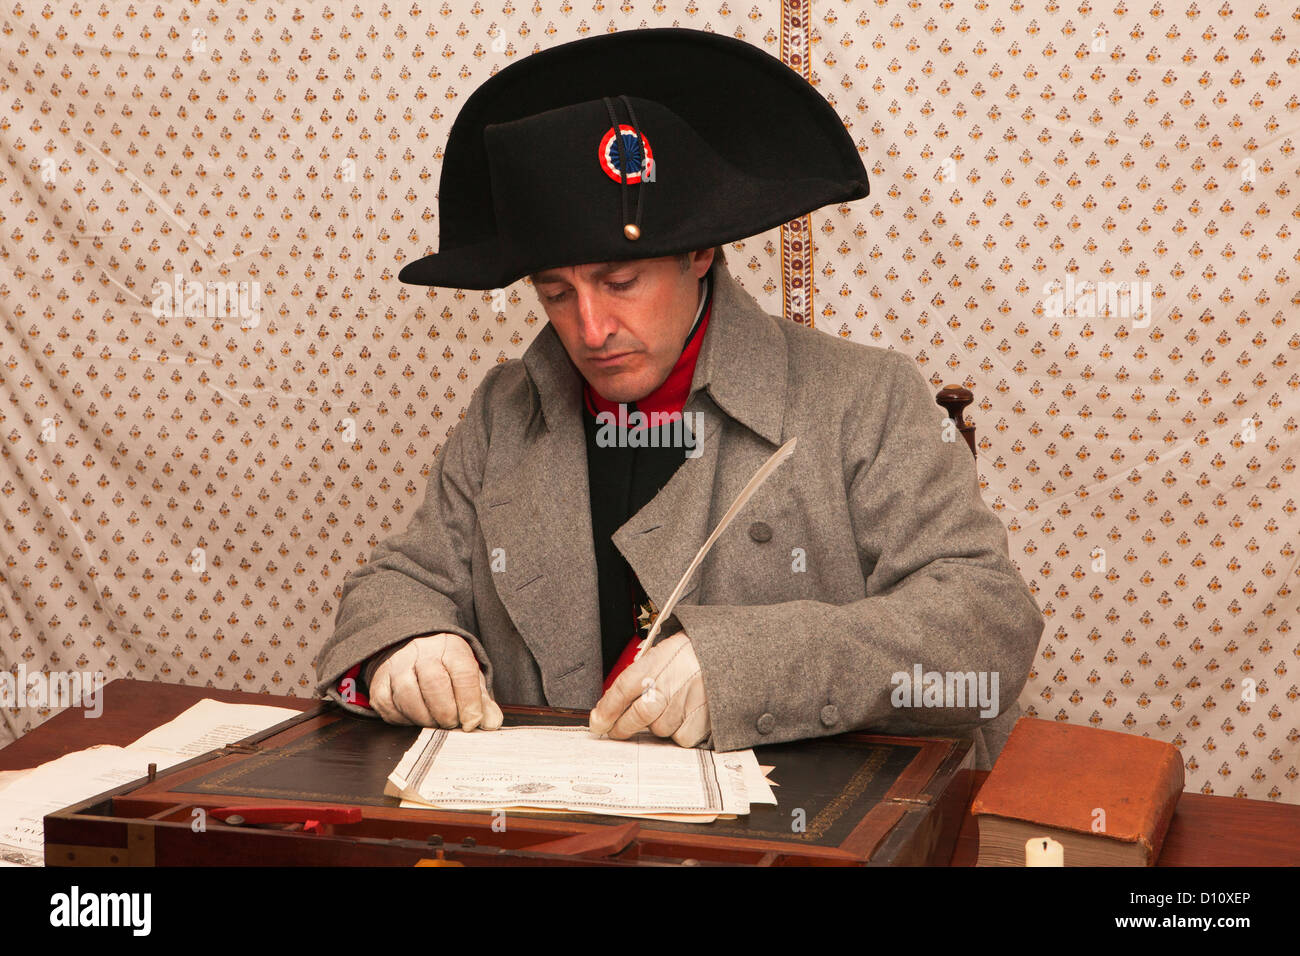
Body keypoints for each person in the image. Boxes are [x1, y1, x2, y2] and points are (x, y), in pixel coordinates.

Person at [314, 27, 1044, 769]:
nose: (590, 329)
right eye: (556, 293)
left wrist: (748, 663)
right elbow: (402, 580)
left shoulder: (864, 396)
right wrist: (405, 643)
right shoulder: (507, 409)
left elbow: (986, 624)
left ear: (700, 252)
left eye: (620, 282)